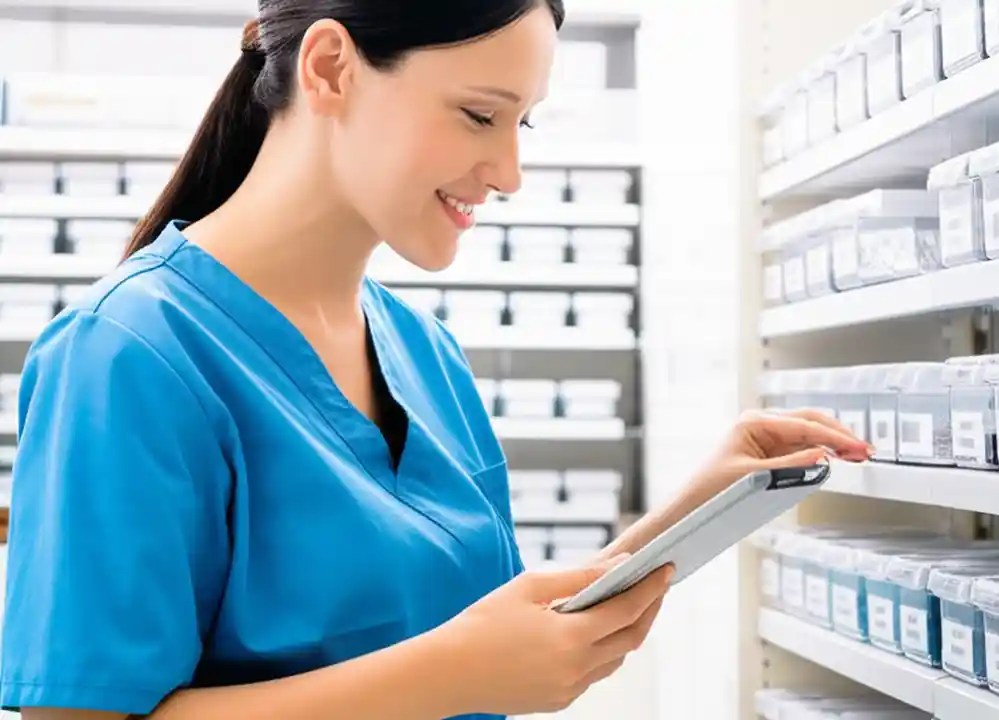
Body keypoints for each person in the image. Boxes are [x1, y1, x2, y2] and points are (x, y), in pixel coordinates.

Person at [0, 2, 870, 719]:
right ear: (332, 68)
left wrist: (692, 507)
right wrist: (455, 676)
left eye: (522, 122)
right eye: (479, 114)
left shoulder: (424, 354)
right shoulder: (130, 356)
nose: (511, 171)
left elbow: (485, 636)